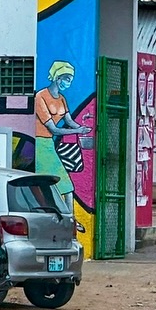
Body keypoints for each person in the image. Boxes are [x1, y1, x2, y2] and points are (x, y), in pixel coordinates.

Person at [34, 60, 92, 206]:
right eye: (66, 79)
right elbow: (53, 129)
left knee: (66, 187)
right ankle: (64, 216)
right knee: (57, 184)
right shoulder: (41, 97)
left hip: (49, 144)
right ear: (57, 77)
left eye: (70, 80)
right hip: (40, 144)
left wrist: (84, 128)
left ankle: (69, 217)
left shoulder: (61, 99)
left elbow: (69, 120)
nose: (68, 83)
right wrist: (76, 130)